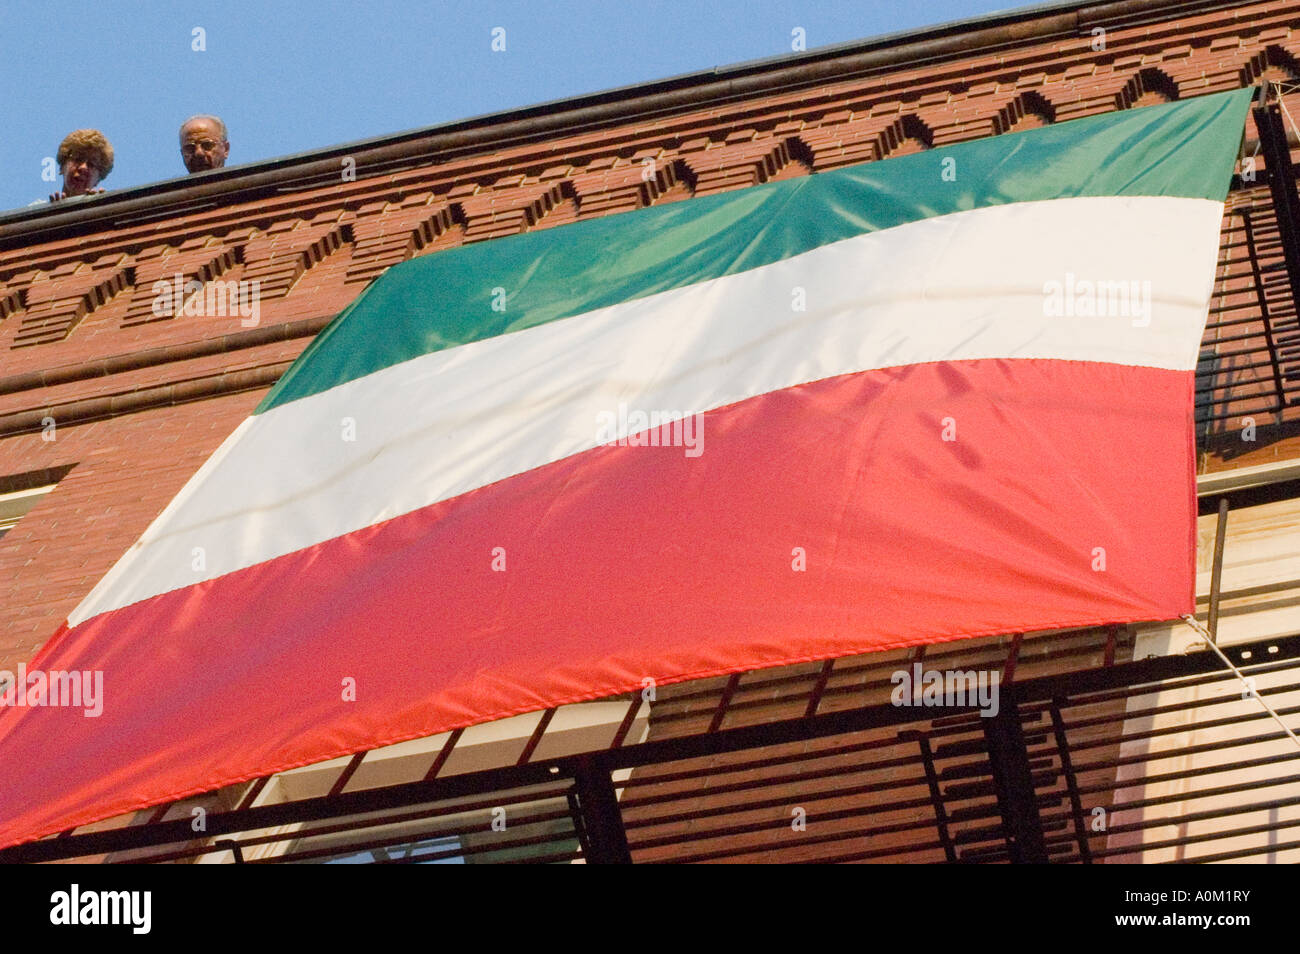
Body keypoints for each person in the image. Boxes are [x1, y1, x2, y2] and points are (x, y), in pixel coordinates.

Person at [49, 129, 113, 202]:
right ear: (62, 167)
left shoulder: (108, 210)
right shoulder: (36, 207)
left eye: (92, 164)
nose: (83, 167)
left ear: (97, 180)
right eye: (78, 159)